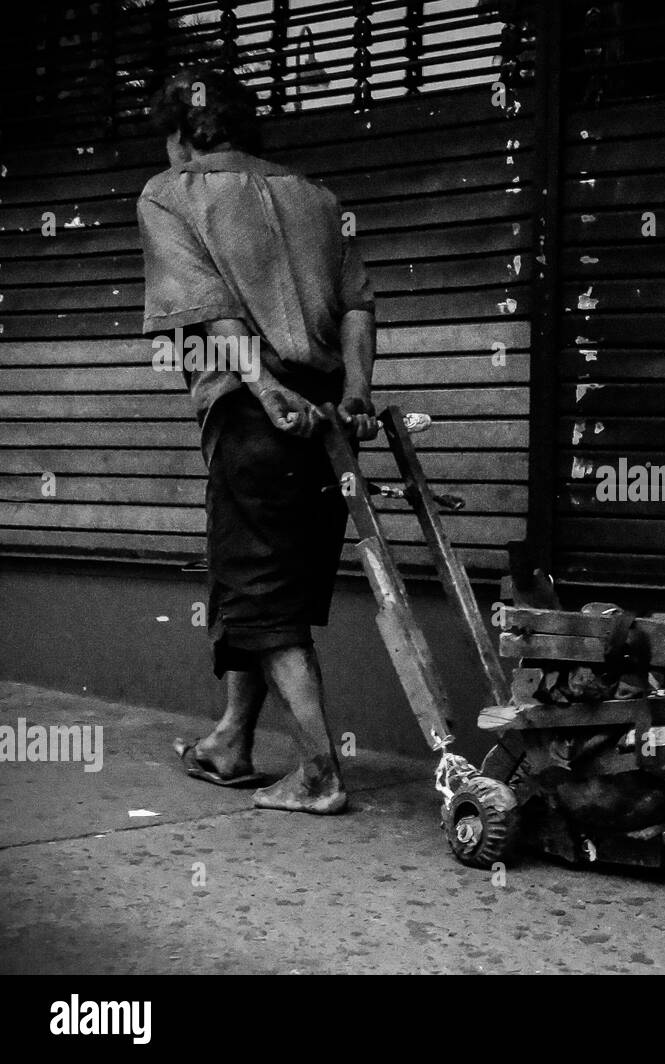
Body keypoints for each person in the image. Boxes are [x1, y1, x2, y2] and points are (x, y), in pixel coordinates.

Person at [138, 66, 378, 814]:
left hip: (255, 415)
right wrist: (357, 394)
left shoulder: (169, 193)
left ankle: (318, 773)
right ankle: (230, 743)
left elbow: (206, 307)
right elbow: (358, 311)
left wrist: (260, 382)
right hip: (329, 424)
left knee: (261, 599)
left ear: (182, 135)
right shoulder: (320, 199)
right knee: (270, 589)